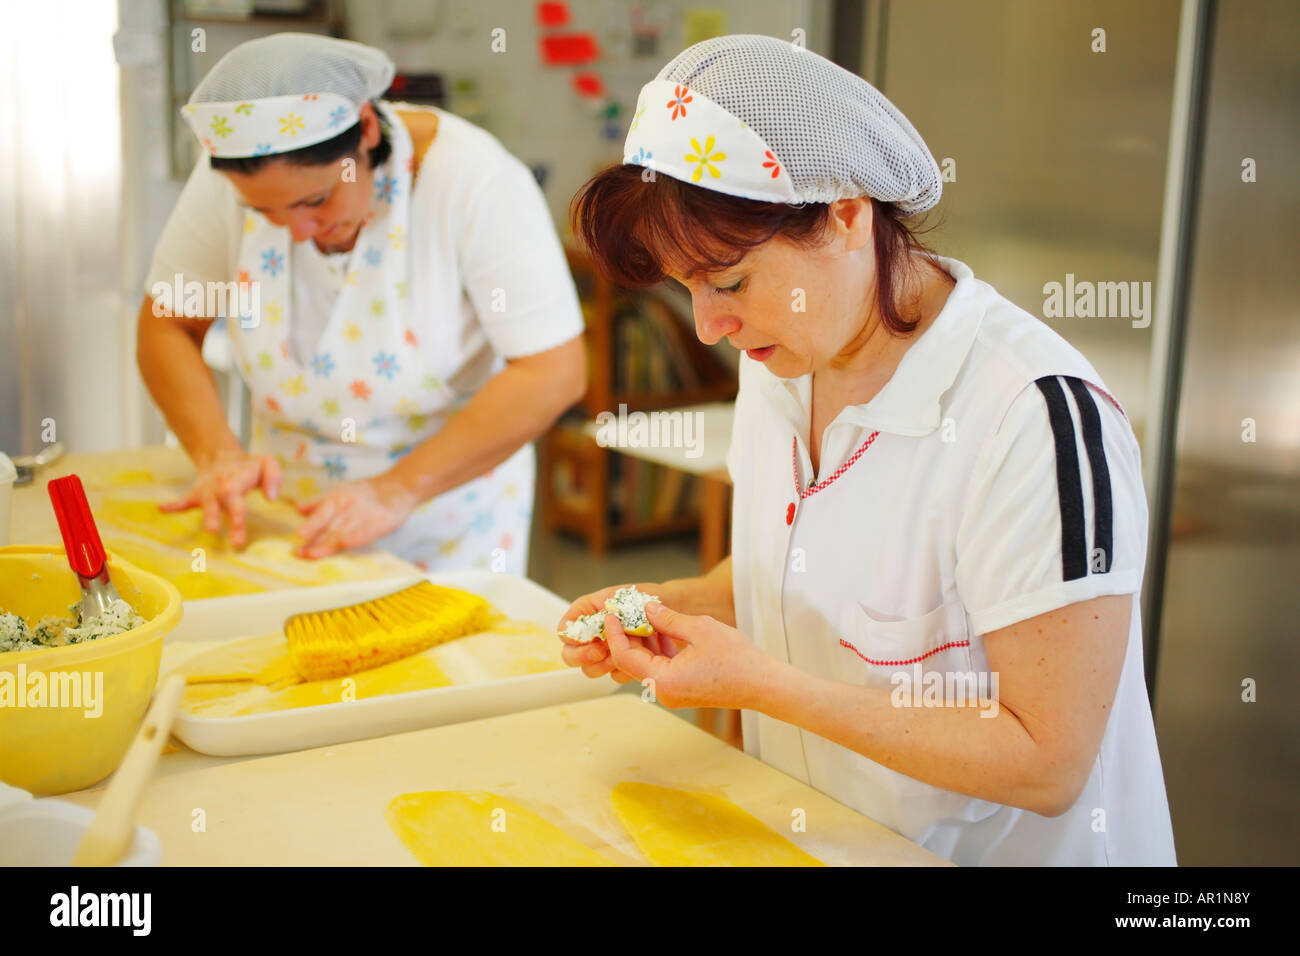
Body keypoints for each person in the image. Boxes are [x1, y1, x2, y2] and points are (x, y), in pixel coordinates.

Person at [560, 34, 1176, 865]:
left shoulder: (1032, 416)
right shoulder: (782, 366)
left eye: (729, 282)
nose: (709, 327)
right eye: (688, 289)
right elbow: (797, 581)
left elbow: (1048, 757)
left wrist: (764, 687)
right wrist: (676, 606)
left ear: (847, 214)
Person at [138, 34, 585, 572]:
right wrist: (217, 454)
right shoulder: (238, 178)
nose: (298, 232)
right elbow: (167, 326)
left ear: (368, 130)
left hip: (445, 522)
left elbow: (553, 372)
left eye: (316, 200)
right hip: (286, 520)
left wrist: (397, 489)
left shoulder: (475, 182)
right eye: (267, 214)